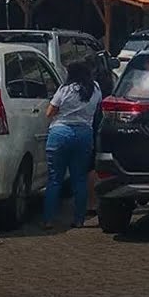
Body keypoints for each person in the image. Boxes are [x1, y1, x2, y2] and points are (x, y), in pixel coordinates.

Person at [42, 59, 102, 230]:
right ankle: (79, 220)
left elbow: (49, 112)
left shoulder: (64, 89)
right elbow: (98, 108)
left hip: (60, 133)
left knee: (55, 179)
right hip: (84, 134)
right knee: (79, 179)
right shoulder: (95, 88)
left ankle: (48, 220)